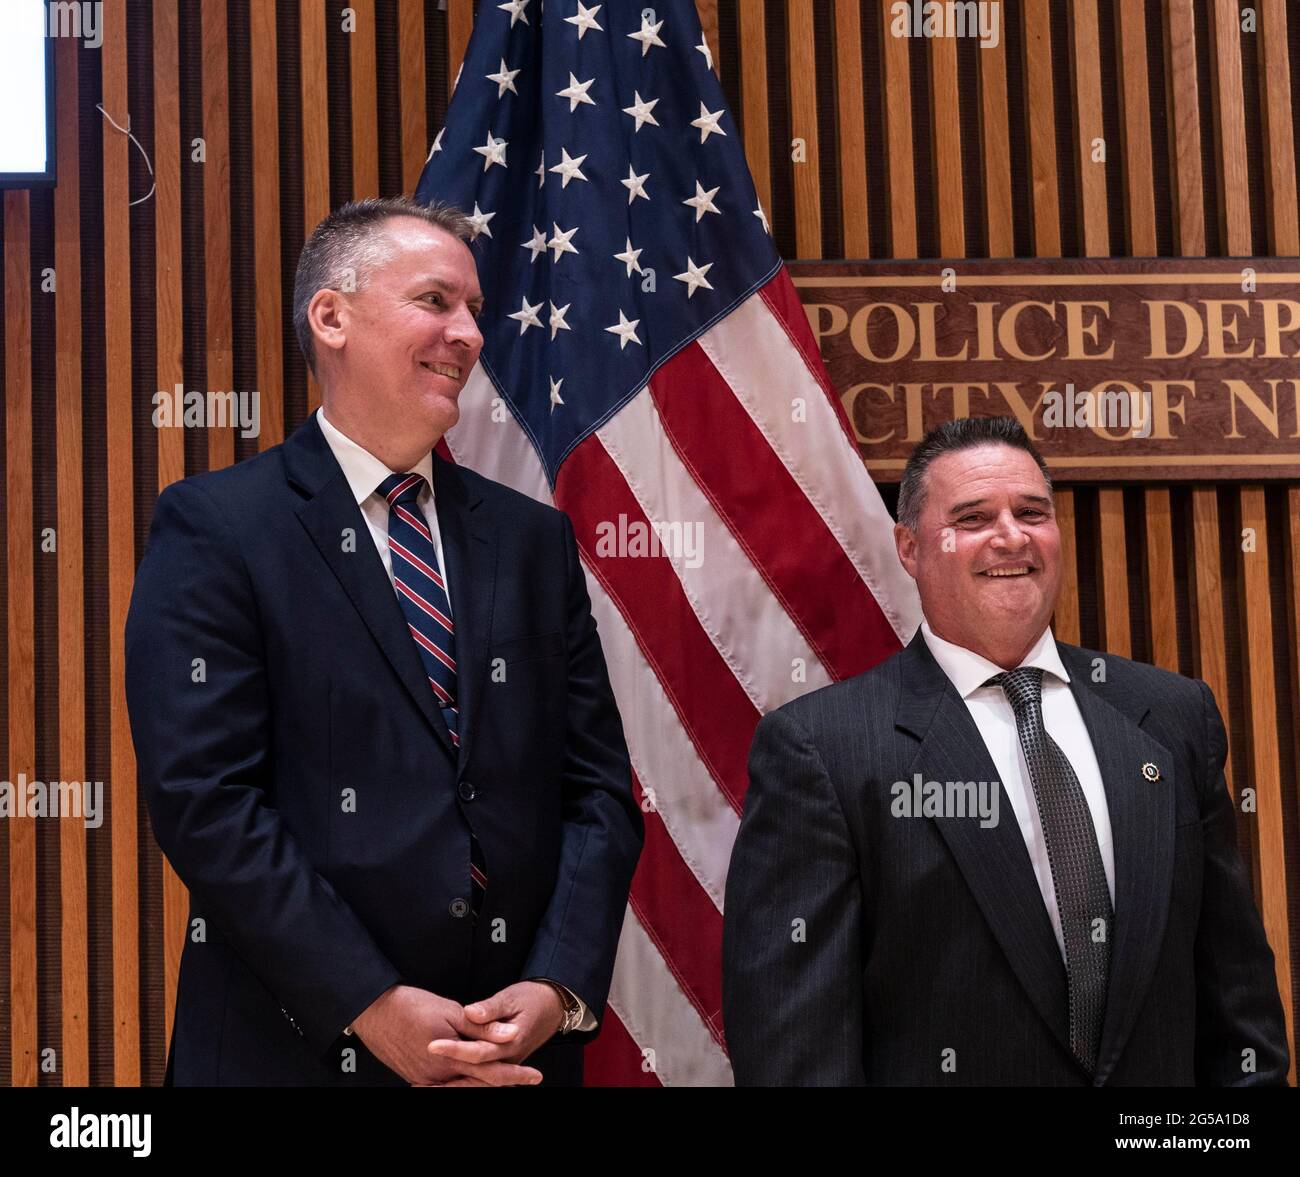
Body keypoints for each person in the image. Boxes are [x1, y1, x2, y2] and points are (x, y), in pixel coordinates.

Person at [125, 197, 643, 1087]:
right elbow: (205, 801)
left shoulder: (530, 540)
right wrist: (368, 1002)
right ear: (332, 317)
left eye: (475, 311)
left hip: (511, 1059)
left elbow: (595, 791)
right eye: (436, 301)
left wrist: (558, 987)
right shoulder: (218, 526)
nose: (470, 334)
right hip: (291, 1052)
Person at [722, 415, 1289, 1086]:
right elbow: (798, 1058)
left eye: (1031, 512)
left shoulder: (1170, 718)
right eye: (972, 517)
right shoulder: (822, 751)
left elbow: (1239, 1012)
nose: (1011, 535)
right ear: (909, 549)